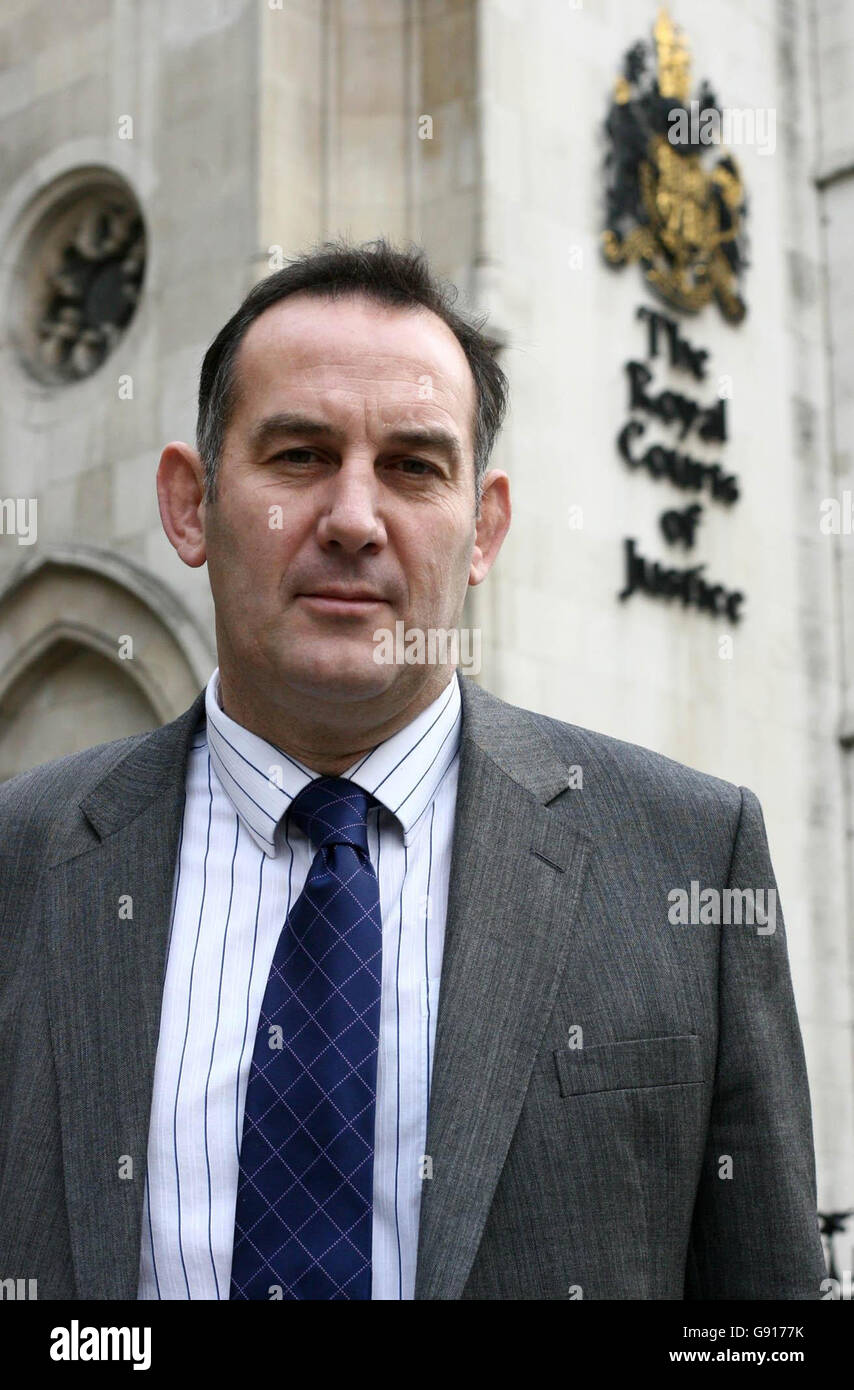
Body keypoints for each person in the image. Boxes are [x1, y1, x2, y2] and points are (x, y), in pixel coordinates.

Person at [0, 239, 826, 1300]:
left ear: (481, 528)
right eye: (297, 456)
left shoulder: (687, 859)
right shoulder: (23, 862)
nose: (352, 520)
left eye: (412, 466)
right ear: (191, 504)